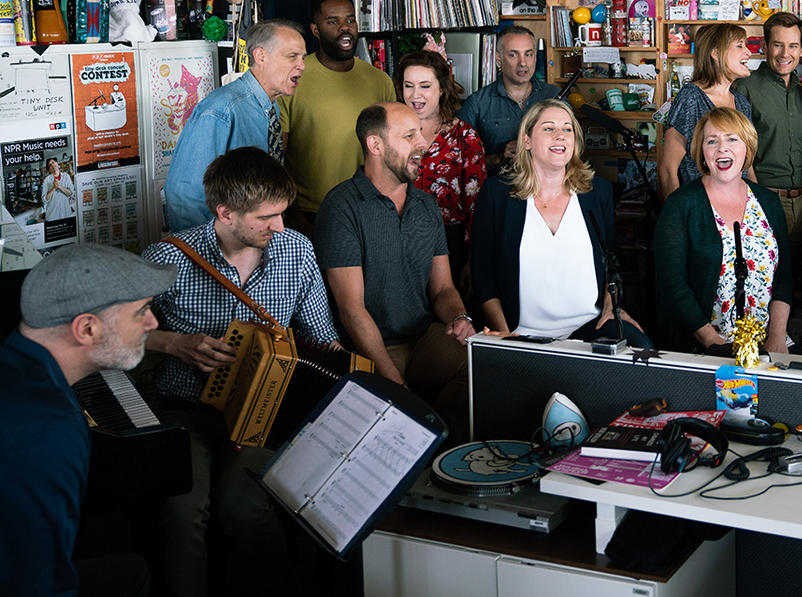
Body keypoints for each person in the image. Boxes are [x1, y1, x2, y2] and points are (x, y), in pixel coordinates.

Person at [143, 147, 340, 597]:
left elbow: (320, 337)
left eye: (282, 213)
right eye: (267, 218)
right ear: (226, 212)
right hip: (187, 412)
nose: (280, 226)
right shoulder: (168, 258)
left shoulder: (297, 251)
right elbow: (112, 336)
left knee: (241, 504)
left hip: (268, 414)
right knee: (181, 505)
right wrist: (172, 343)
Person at [1, 244, 175, 597]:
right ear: (87, 329)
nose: (152, 323)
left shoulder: (12, 359)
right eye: (141, 311)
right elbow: (39, 583)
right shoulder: (48, 430)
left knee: (129, 570)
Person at [317, 103, 475, 439]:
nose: (423, 142)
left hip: (424, 338)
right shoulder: (342, 206)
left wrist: (461, 318)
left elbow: (443, 289)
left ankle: (439, 443)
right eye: (409, 135)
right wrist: (394, 381)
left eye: (420, 132)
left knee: (483, 363)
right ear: (375, 145)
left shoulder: (426, 205)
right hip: (371, 347)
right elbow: (351, 310)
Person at [472, 101, 650, 346]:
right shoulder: (496, 194)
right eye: (548, 128)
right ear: (526, 141)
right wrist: (504, 335)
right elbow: (482, 274)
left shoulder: (597, 192)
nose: (560, 135)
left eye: (568, 129)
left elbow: (612, 264)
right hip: (522, 331)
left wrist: (611, 307)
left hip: (591, 327)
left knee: (643, 351)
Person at [655, 107, 792, 354]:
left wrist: (777, 337)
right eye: (712, 141)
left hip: (768, 340)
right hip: (703, 344)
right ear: (702, 153)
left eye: (732, 139)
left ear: (747, 148)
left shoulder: (768, 202)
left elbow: (784, 276)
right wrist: (713, 342)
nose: (722, 148)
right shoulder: (681, 204)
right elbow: (672, 285)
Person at [165, 19, 305, 232]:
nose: (302, 66)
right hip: (220, 251)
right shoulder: (221, 109)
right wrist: (204, 256)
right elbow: (184, 194)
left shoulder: (271, 107)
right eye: (292, 56)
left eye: (302, 58)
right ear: (260, 56)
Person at [281, 0, 396, 221]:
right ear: (315, 30)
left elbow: (391, 154)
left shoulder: (380, 81)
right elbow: (276, 160)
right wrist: (298, 221)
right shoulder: (293, 78)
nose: (345, 28)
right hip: (310, 213)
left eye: (350, 20)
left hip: (368, 210)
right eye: (333, 22)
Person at [397, 50, 486, 285]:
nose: (416, 95)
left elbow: (476, 202)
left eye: (425, 86)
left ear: (442, 89)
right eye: (409, 85)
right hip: (398, 236)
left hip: (451, 240)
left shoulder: (465, 137)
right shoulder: (390, 133)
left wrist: (473, 256)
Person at [731, 11, 802, 246]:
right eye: (778, 45)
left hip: (800, 203)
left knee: (795, 278)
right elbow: (735, 153)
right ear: (765, 46)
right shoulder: (744, 88)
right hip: (762, 197)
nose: (785, 54)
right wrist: (757, 200)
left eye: (793, 46)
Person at [660, 22, 754, 199]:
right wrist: (677, 221)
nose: (748, 52)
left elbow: (747, 167)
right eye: (740, 45)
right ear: (716, 53)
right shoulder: (691, 98)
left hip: (736, 207)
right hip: (698, 210)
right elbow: (667, 170)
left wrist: (757, 206)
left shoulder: (741, 102)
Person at [459, 26, 559, 174]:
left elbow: (575, 148)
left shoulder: (555, 96)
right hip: (498, 191)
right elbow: (458, 160)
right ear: (499, 58)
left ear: (535, 56)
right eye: (513, 55)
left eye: (528, 54)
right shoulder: (477, 104)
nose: (523, 63)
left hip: (547, 190)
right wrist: (500, 158)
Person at [42, 157, 74, 222]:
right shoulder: (46, 181)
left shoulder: (66, 176)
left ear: (57, 163)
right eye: (50, 165)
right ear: (49, 169)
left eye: (53, 162)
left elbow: (71, 193)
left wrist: (59, 186)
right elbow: (45, 200)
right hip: (52, 216)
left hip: (66, 214)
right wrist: (53, 188)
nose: (52, 165)